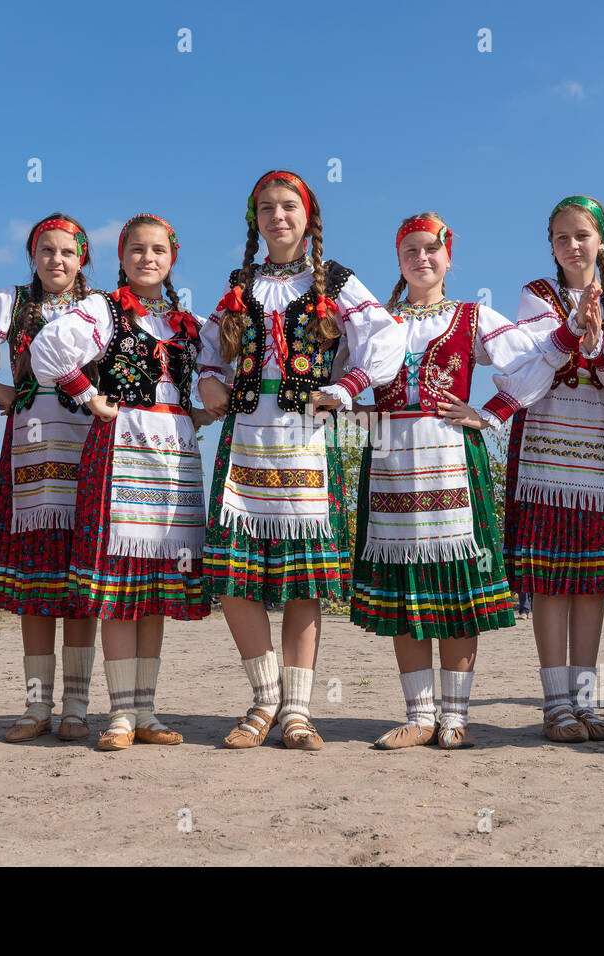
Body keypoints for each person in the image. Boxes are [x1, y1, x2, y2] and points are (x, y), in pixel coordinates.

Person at [198, 169, 405, 750]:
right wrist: (211, 380)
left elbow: (385, 338)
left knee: (301, 579)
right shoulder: (240, 281)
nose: (278, 217)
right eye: (266, 208)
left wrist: (347, 387)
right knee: (236, 575)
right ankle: (264, 699)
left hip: (306, 437)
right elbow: (209, 350)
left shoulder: (334, 280)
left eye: (288, 206)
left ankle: (297, 709)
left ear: (308, 217)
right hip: (245, 437)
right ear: (254, 220)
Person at [354, 212, 543, 749]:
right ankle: (418, 715)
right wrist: (353, 411)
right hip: (390, 460)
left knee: (457, 582)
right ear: (398, 259)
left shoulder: (472, 316)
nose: (422, 258)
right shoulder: (377, 321)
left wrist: (492, 410)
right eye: (411, 250)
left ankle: (455, 716)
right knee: (404, 584)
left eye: (431, 249)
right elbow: (333, 368)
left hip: (452, 455)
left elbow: (533, 359)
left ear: (449, 257)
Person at [32, 213, 213, 749]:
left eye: (158, 249)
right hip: (122, 446)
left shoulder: (188, 322)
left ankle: (148, 712)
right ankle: (118, 714)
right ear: (120, 257)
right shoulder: (101, 309)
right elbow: (50, 348)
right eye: (137, 249)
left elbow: (219, 370)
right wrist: (88, 395)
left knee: (155, 585)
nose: (148, 258)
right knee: (118, 584)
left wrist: (201, 404)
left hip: (174, 454)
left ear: (172, 258)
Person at [491, 195, 604, 743]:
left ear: (601, 240)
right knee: (551, 577)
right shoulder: (536, 295)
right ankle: (555, 704)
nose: (573, 246)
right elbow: (530, 357)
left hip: (601, 452)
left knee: (591, 581)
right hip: (545, 448)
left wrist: (598, 343)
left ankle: (584, 703)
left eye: (583, 235)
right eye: (562, 238)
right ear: (551, 246)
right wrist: (574, 335)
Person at [0, 214, 102, 743]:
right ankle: (37, 707)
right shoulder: (9, 303)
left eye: (66, 252)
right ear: (32, 256)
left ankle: (78, 708)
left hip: (87, 442)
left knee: (81, 583)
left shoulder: (102, 306)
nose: (56, 261)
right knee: (38, 585)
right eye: (46, 251)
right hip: (29, 448)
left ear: (82, 257)